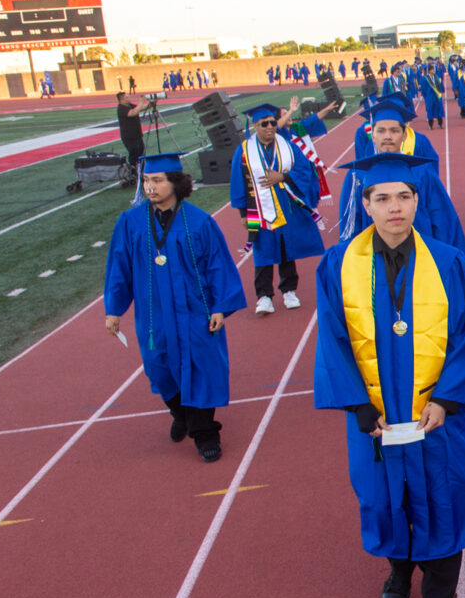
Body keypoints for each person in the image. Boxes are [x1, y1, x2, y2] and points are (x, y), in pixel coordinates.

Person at [313, 152, 465, 598]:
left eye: (405, 197)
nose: (396, 207)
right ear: (366, 204)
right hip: (377, 416)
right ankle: (399, 569)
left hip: (436, 415)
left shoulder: (448, 261)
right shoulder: (337, 265)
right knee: (383, 498)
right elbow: (331, 338)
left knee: (443, 499)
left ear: (418, 201)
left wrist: (448, 399)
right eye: (383, 198)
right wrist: (357, 404)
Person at [104, 153, 246, 463]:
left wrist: (221, 307)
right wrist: (113, 309)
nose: (149, 187)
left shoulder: (199, 222)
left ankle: (205, 433)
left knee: (200, 370)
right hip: (153, 314)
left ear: (176, 183)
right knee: (160, 369)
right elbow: (120, 267)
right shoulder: (130, 223)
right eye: (146, 181)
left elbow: (218, 267)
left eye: (156, 180)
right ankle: (178, 412)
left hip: (195, 313)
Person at [336, 101, 465, 256]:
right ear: (373, 135)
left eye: (394, 131)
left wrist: (449, 260)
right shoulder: (357, 176)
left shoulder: (422, 173)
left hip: (420, 255)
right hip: (373, 260)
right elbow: (351, 225)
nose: (387, 136)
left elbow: (440, 217)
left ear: (404, 135)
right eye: (381, 131)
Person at [230, 103, 325, 316]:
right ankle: (264, 296)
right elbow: (237, 181)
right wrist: (243, 214)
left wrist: (281, 177)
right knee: (263, 250)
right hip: (260, 207)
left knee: (285, 247)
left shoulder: (287, 145)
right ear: (255, 126)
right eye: (264, 124)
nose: (270, 127)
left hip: (286, 205)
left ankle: (289, 290)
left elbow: (304, 168)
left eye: (273, 123)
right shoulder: (244, 150)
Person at [116, 92, 148, 173]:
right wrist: (141, 102)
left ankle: (142, 170)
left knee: (141, 152)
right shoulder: (121, 108)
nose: (129, 98)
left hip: (137, 135)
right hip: (129, 137)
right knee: (134, 154)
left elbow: (140, 108)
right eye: (127, 97)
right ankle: (133, 172)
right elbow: (133, 113)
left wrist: (152, 103)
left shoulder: (129, 105)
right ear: (122, 99)